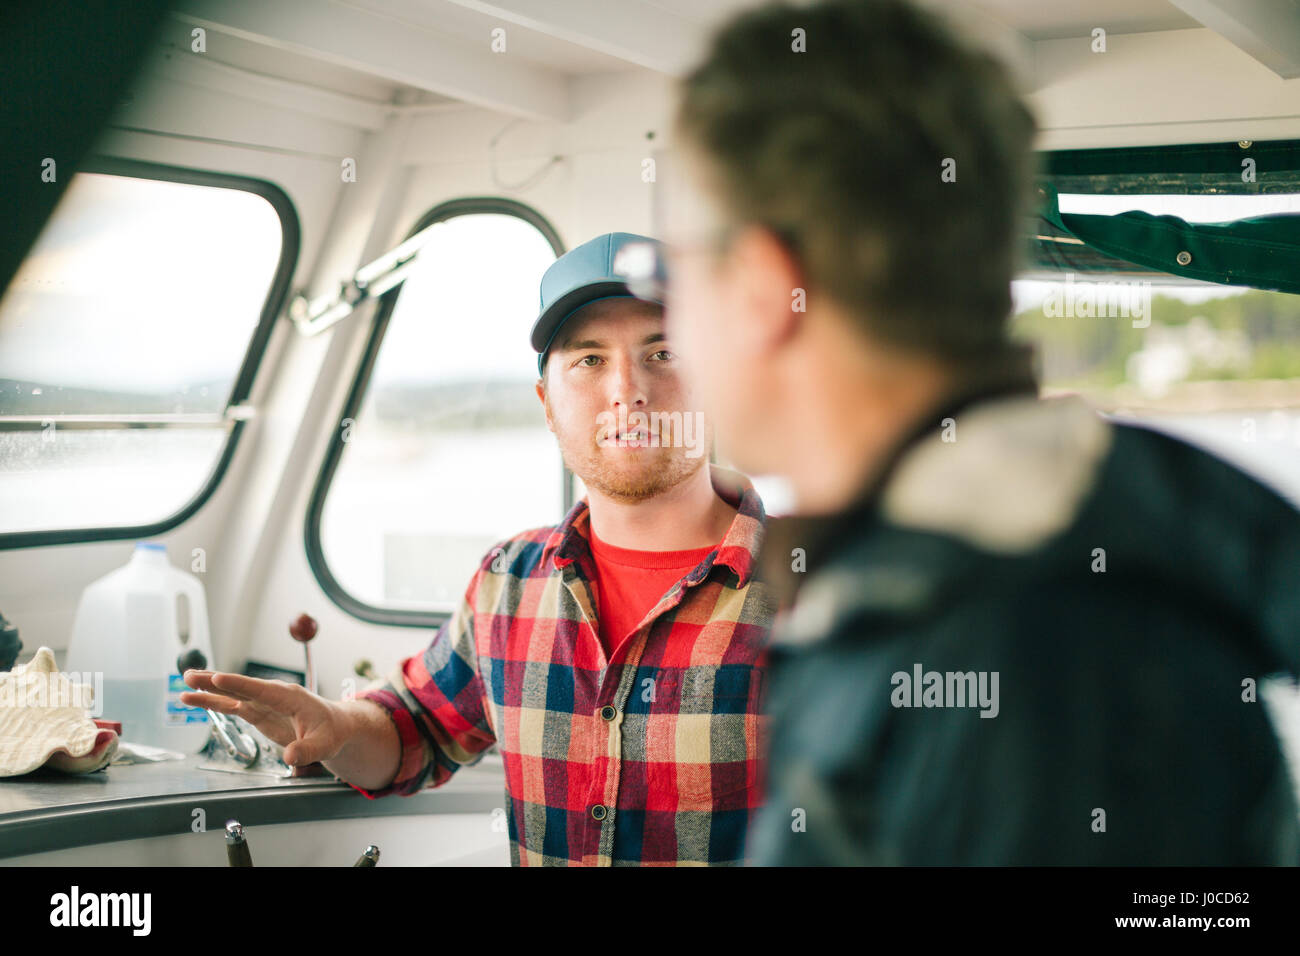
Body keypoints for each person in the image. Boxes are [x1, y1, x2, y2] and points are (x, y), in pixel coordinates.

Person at [639, 0, 1300, 863]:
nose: (674, 330)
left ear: (765, 287)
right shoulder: (968, 567)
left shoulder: (1026, 654)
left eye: (669, 275)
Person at [182, 231, 775, 866]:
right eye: (589, 360)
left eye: (663, 352)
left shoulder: (819, 591)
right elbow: (414, 729)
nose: (627, 390)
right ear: (547, 404)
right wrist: (335, 727)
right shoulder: (509, 580)